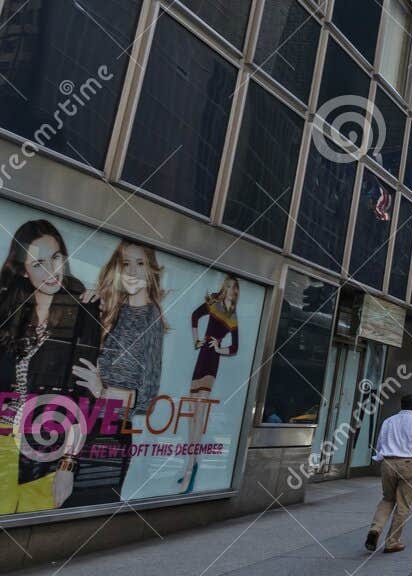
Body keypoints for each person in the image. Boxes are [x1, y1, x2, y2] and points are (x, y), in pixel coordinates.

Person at [0, 219, 102, 516]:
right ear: (22, 269)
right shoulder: (9, 312)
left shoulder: (83, 311)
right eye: (39, 263)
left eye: (56, 257)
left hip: (47, 446)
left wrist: (69, 464)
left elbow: (82, 395)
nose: (51, 270)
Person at [72, 240, 167, 504]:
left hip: (111, 431)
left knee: (88, 507)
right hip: (82, 422)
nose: (132, 271)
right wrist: (92, 305)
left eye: (140, 263)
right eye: (126, 263)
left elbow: (147, 396)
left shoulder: (152, 318)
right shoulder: (115, 308)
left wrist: (103, 390)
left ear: (151, 270)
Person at [174, 276, 242, 494]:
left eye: (234, 288)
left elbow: (235, 348)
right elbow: (195, 315)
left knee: (200, 415)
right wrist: (196, 339)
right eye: (229, 286)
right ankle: (191, 464)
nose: (231, 290)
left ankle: (189, 469)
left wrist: (218, 347)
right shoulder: (214, 302)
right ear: (224, 288)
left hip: (212, 361)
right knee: (193, 414)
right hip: (200, 358)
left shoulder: (233, 316)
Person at [367, 393, 412, 554]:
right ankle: (392, 541)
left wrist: (379, 458)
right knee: (403, 504)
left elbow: (381, 443)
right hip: (408, 463)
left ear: (401, 405)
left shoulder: (389, 421)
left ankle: (375, 528)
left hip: (388, 462)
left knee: (387, 498)